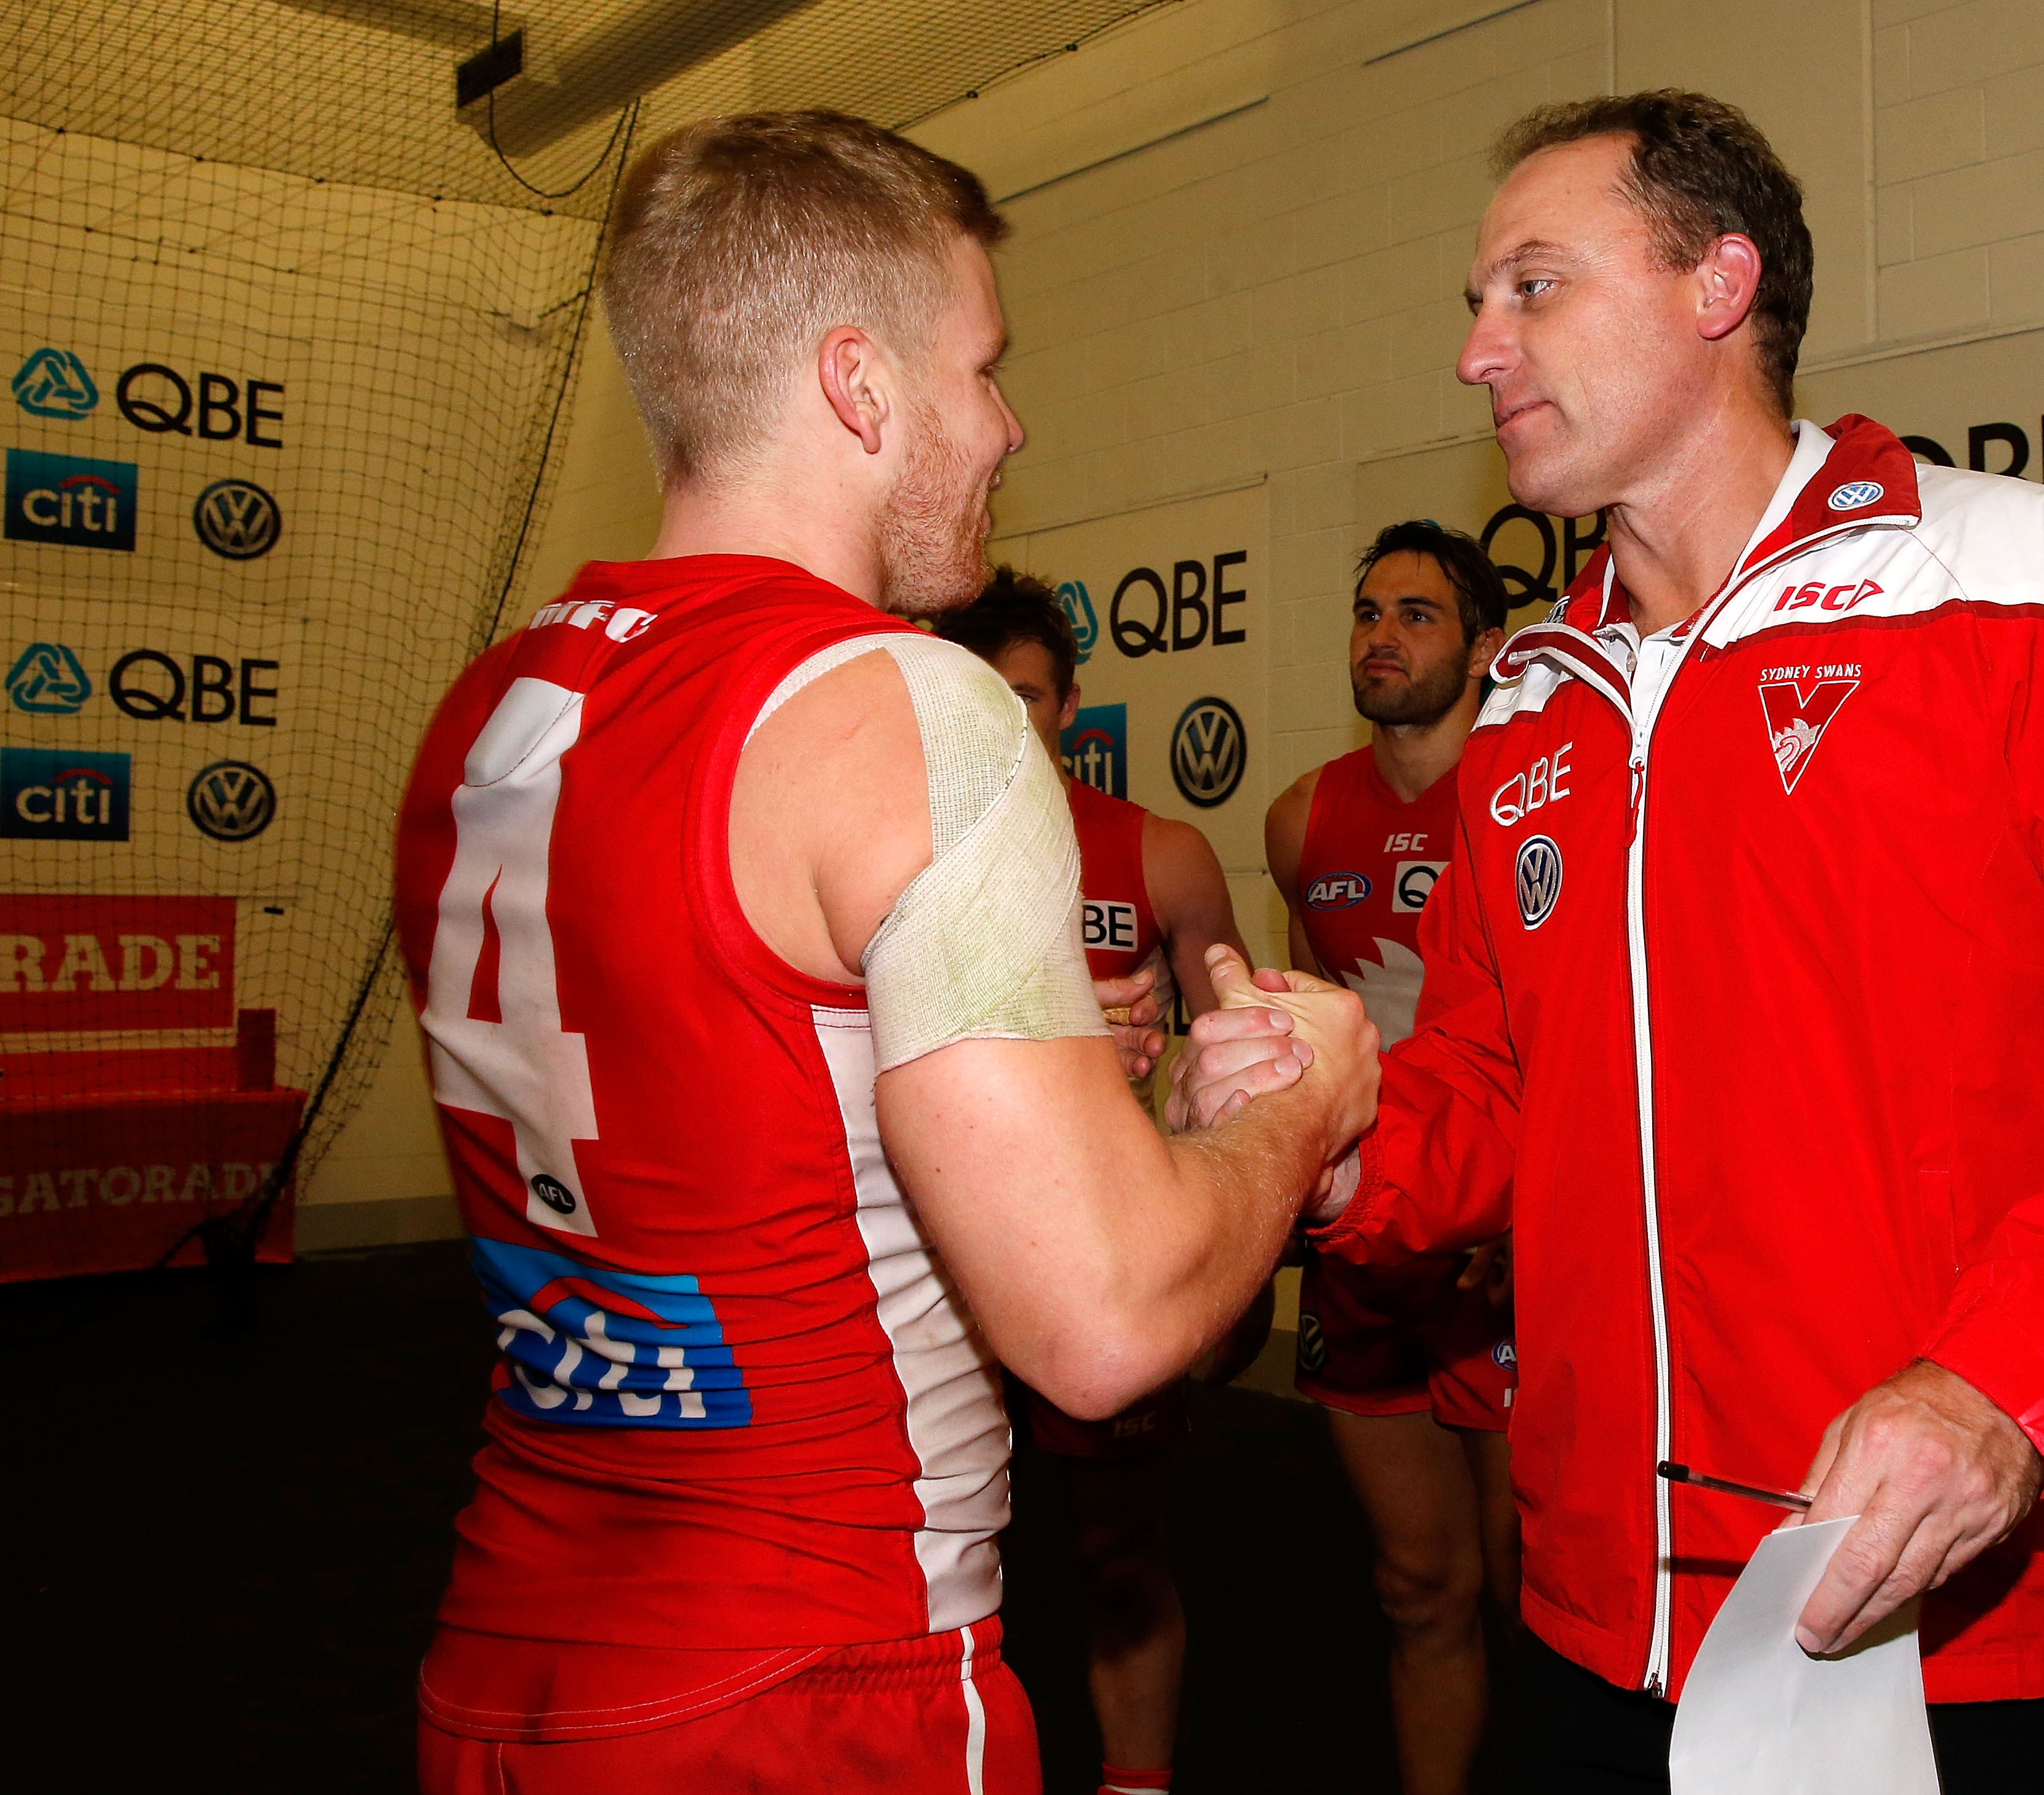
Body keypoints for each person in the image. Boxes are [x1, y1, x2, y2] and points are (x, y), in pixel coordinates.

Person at [1178, 91, 2044, 1794]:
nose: (1475, 352)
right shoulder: (1533, 706)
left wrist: (2001, 1390)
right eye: (1472, 302)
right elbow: (1501, 1088)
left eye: (1530, 288)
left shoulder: (2007, 579)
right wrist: (1337, 1131)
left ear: (1717, 287)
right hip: (1601, 1629)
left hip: (1962, 1625)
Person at [393, 112, 1374, 1795]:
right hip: (812, 1685)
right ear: (860, 387)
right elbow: (1103, 1320)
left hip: (506, 1669)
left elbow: (754, 1101)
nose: (1006, 424)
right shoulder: (905, 708)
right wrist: (1298, 1114)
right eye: (980, 368)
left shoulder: (487, 711)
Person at [934, 568, 1265, 1795]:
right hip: (936, 1279)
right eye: (982, 695)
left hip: (1091, 1259)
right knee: (943, 1556)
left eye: (1028, 695)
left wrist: (1219, 1265)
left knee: (1118, 1551)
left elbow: (1244, 1060)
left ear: (1070, 704)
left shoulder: (1157, 852)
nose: (1007, 720)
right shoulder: (893, 855)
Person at [1262, 521, 1520, 1795]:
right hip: (1369, 1260)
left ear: (1485, 646)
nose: (1382, 633)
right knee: (1420, 1583)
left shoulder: (1536, 802)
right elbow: (1321, 1028)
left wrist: (1520, 1207)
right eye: (1369, 610)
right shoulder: (1302, 818)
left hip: (1507, 1260)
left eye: (1417, 614)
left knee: (1536, 1591)